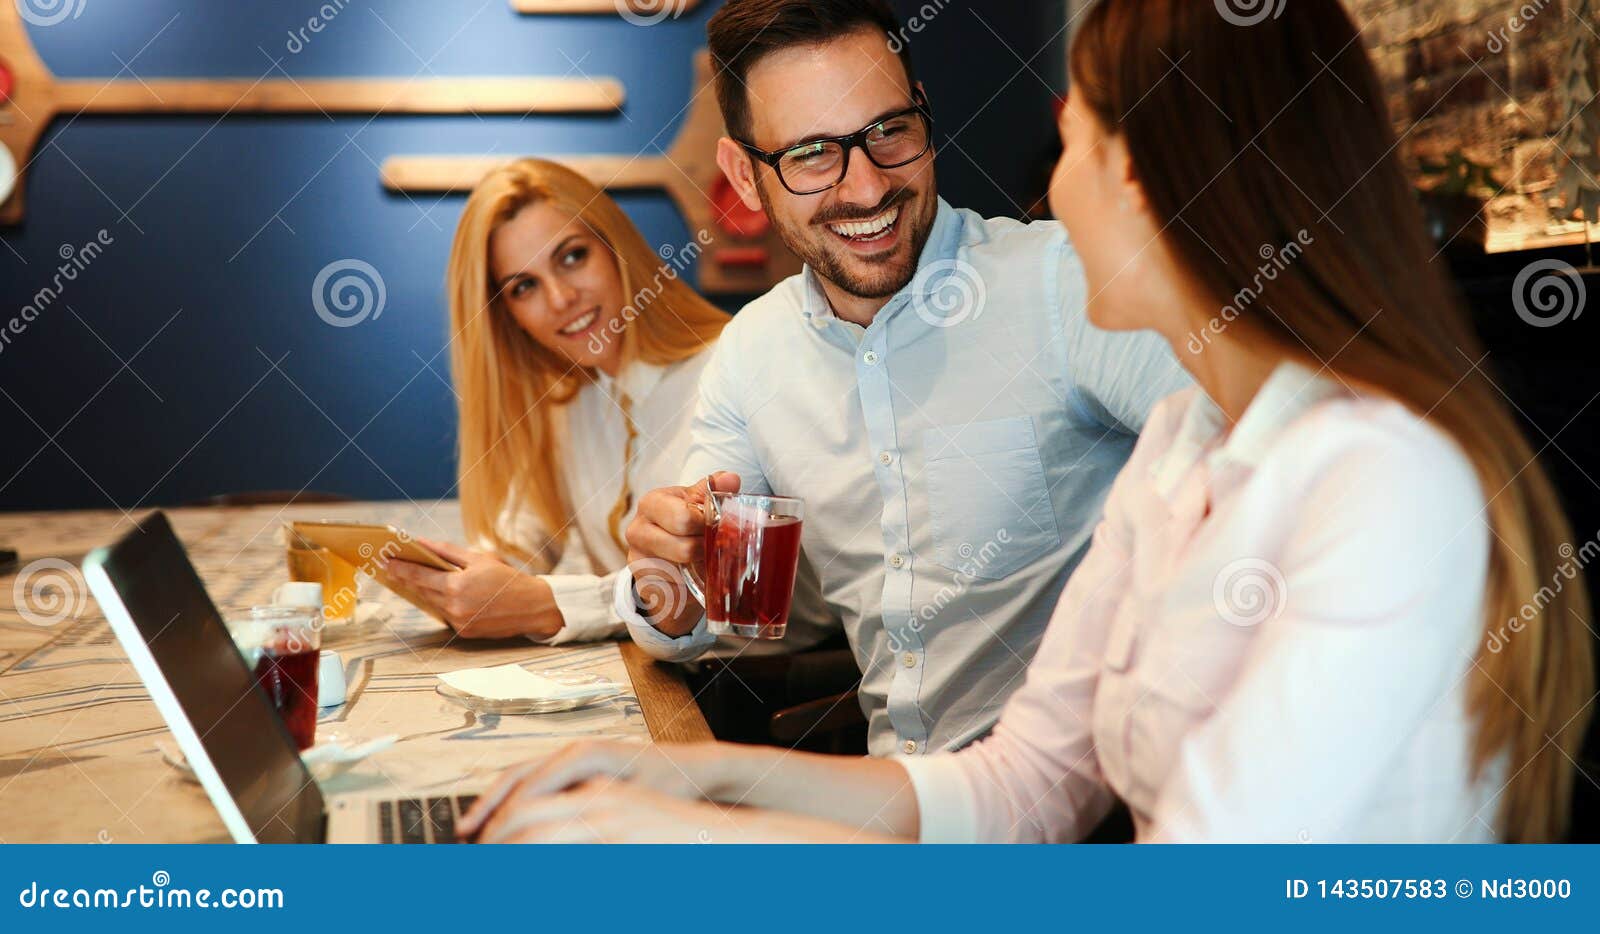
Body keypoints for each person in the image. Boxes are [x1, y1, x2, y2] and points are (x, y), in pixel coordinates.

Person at [459, 0, 1595, 843]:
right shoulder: (1183, 451)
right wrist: (695, 783)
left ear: (1156, 184)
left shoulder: (1375, 482)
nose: (1046, 192)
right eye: (810, 153)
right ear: (748, 175)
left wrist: (708, 834)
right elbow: (1024, 783)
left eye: (1079, 144)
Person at [614, 0, 1189, 758]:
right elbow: (711, 607)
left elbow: (1266, 459)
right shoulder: (753, 350)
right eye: (813, 152)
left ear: (925, 115)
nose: (865, 187)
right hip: (902, 796)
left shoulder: (1065, 281)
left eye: (889, 131)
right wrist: (665, 577)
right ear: (745, 178)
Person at [383, 158, 731, 645]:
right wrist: (469, 578)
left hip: (741, 695)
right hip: (647, 683)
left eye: (571, 257)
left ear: (617, 248)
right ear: (509, 318)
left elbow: (720, 590)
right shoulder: (569, 399)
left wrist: (545, 605)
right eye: (524, 287)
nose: (561, 297)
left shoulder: (729, 369)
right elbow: (523, 533)